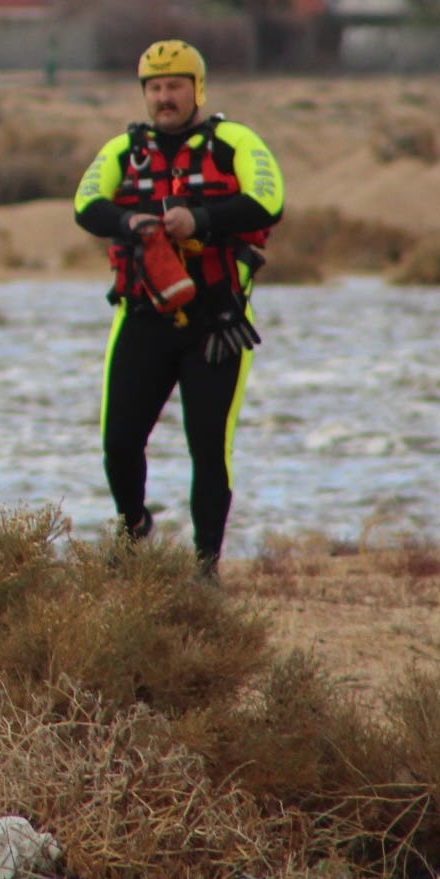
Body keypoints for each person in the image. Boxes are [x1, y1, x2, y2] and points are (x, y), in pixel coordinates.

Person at [72, 41, 284, 582]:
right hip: (142, 319)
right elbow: (85, 205)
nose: (164, 98)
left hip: (218, 325)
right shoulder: (123, 149)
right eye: (155, 88)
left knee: (208, 446)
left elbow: (268, 201)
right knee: (118, 440)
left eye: (174, 86)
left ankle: (206, 565)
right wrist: (129, 223)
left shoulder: (235, 141)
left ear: (197, 88)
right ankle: (132, 527)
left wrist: (202, 220)